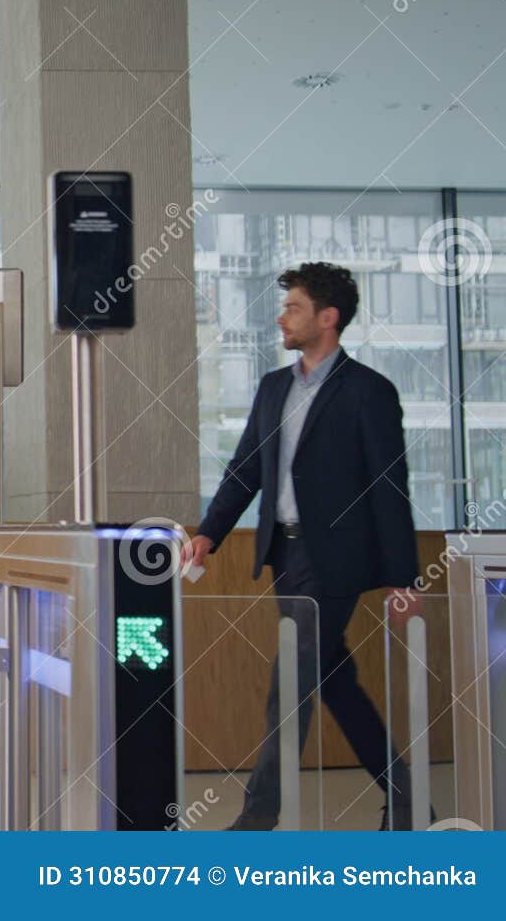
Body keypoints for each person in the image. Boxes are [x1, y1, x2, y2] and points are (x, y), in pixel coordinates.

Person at [184, 262, 420, 830]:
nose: (282, 316)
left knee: (289, 681)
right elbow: (245, 471)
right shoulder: (274, 388)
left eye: (293, 307)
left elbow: (390, 487)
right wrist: (208, 534)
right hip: (284, 557)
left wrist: (403, 576)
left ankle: (259, 817)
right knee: (336, 684)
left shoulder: (369, 392)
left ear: (328, 318)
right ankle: (410, 803)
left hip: (334, 561)